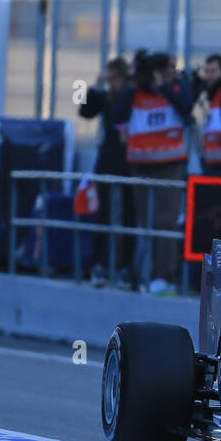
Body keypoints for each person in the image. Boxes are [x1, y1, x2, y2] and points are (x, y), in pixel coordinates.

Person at [125, 52, 193, 295]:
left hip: (170, 162)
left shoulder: (176, 88)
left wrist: (165, 86)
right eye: (167, 68)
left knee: (166, 220)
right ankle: (146, 273)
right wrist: (133, 82)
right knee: (146, 220)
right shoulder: (135, 92)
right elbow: (118, 114)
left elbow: (187, 106)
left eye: (174, 67)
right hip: (141, 163)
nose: (173, 71)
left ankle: (164, 276)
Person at [78, 56, 135, 287]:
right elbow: (85, 112)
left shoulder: (133, 96)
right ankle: (98, 265)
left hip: (132, 162)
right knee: (104, 214)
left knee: (130, 216)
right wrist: (96, 84)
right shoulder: (105, 97)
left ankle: (125, 267)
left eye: (114, 79)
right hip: (108, 160)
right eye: (109, 79)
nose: (112, 84)